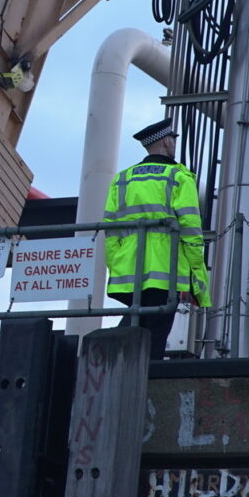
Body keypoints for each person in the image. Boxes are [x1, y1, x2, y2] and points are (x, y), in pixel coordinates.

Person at [101, 120, 207, 358]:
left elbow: (110, 230)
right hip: (165, 270)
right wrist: (196, 269)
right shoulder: (178, 176)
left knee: (136, 322)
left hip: (129, 270)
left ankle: (113, 364)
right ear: (166, 141)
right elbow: (190, 226)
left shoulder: (123, 179)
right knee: (155, 337)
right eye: (173, 140)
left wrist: (116, 265)